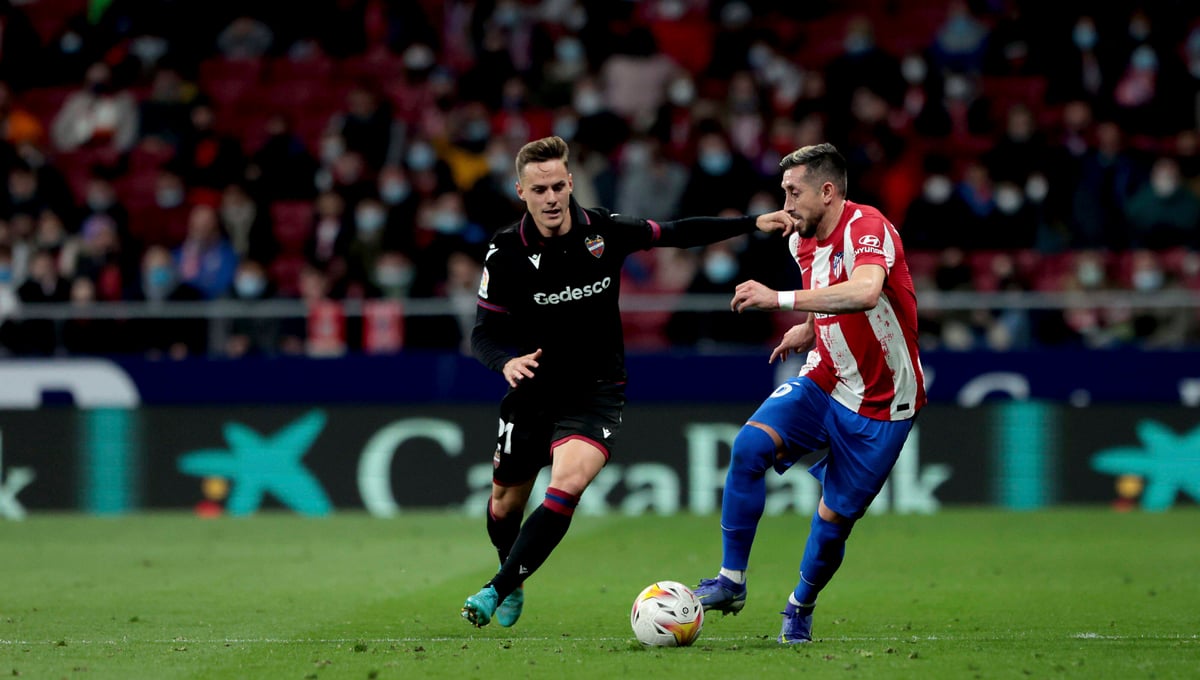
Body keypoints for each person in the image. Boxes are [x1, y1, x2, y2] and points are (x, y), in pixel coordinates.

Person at [459, 135, 794, 628]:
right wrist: (504, 364)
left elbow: (677, 232)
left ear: (570, 182)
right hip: (532, 389)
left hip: (596, 390)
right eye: (540, 190)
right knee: (504, 505)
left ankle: (497, 589)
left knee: (567, 484)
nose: (552, 198)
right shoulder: (505, 252)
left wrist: (751, 222)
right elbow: (483, 333)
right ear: (521, 192)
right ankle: (513, 574)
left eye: (558, 186)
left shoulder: (604, 230)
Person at [691, 143, 925, 644]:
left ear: (827, 191)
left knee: (833, 522)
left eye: (793, 192)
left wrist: (778, 301)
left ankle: (801, 604)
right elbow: (833, 298)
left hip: (881, 404)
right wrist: (810, 326)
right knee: (749, 447)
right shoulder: (800, 241)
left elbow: (864, 292)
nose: (786, 202)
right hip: (826, 377)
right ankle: (731, 581)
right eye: (783, 192)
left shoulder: (867, 227)